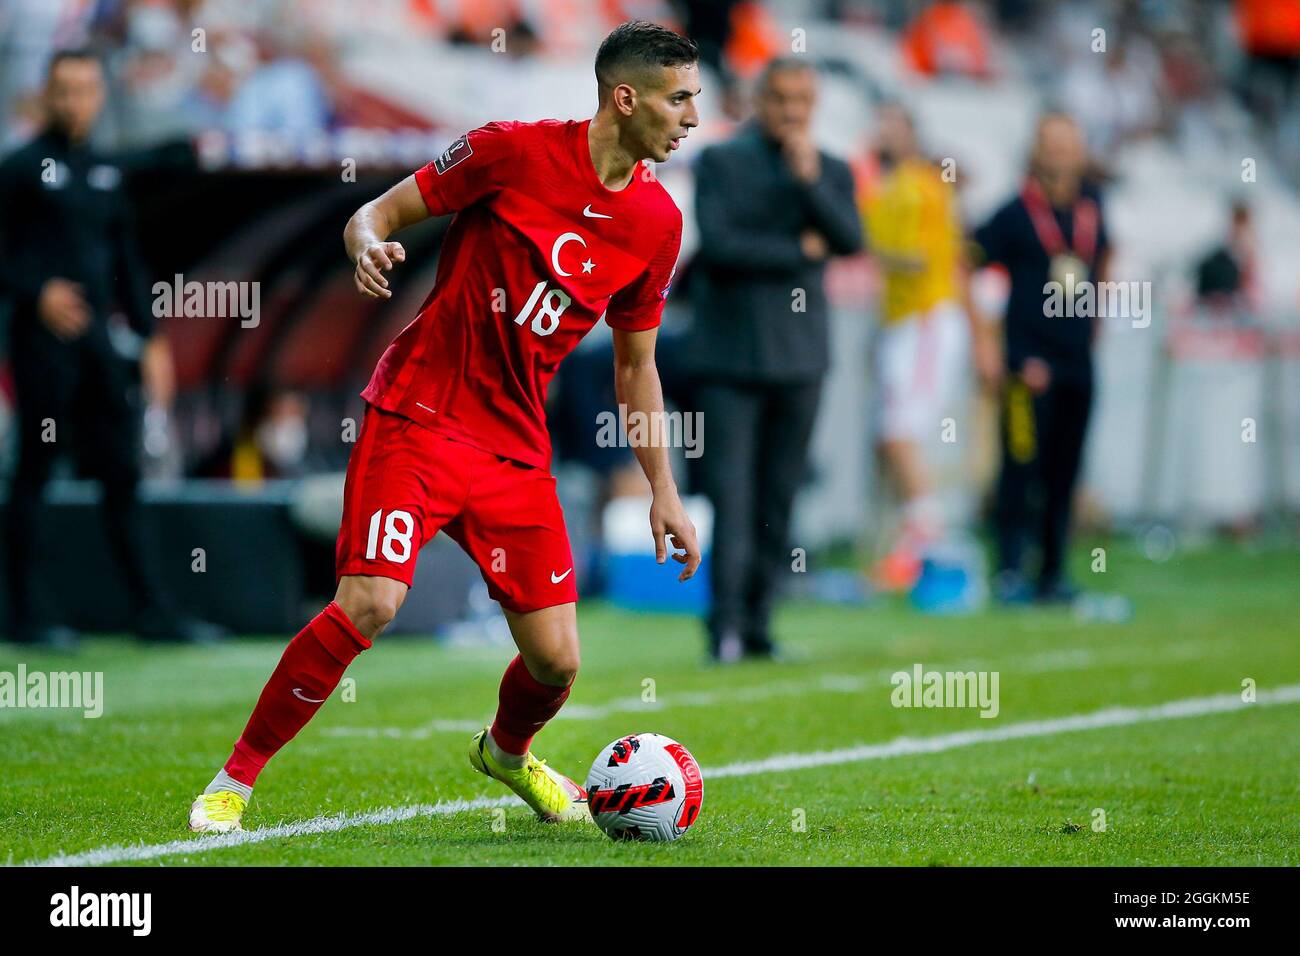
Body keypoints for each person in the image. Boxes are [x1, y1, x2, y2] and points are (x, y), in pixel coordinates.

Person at [189, 20, 703, 833]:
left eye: (696, 101)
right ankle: (234, 780)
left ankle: (505, 753)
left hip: (515, 448)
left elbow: (636, 370)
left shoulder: (656, 225)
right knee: (369, 603)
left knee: (557, 660)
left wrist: (664, 493)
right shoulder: (510, 151)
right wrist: (366, 245)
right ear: (626, 96)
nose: (691, 119)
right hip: (417, 417)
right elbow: (378, 213)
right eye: (680, 100)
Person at [0, 49, 221, 650]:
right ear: (47, 94)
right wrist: (35, 290)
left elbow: (128, 260)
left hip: (99, 341)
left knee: (122, 470)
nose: (74, 101)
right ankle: (25, 614)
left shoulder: (105, 171)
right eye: (64, 89)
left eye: (85, 89)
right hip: (42, 340)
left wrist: (150, 339)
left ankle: (152, 610)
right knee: (36, 469)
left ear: (99, 95)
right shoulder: (19, 168)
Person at [688, 57, 861, 663]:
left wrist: (809, 183)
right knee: (730, 500)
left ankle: (760, 625)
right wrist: (799, 250)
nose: (791, 111)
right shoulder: (720, 159)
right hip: (729, 358)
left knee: (779, 500)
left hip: (801, 358)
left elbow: (851, 241)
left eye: (802, 100)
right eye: (781, 98)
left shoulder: (830, 168)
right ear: (760, 98)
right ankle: (725, 629)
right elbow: (721, 244)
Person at [970, 112, 1111, 604]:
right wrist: (987, 344)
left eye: (1067, 144)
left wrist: (1098, 322)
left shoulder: (1094, 208)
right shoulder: (1013, 214)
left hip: (1077, 362)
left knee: (1065, 472)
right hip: (1026, 364)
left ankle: (1052, 574)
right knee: (1020, 467)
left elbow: (1102, 263)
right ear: (1035, 151)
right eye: (1049, 144)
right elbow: (968, 265)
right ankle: (1009, 571)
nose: (1058, 154)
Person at [863, 102, 998, 591]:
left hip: (924, 318)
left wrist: (860, 243)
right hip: (907, 319)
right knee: (892, 436)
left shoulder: (918, 187)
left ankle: (928, 539)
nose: (883, 131)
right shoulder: (902, 186)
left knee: (900, 431)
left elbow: (920, 260)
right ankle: (911, 542)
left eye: (894, 125)